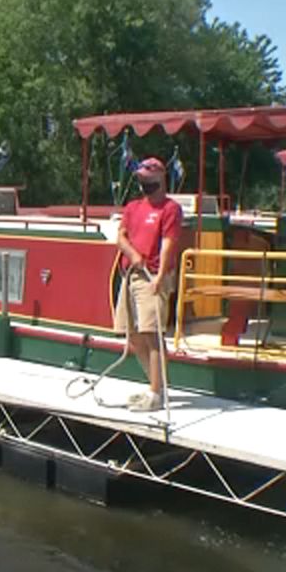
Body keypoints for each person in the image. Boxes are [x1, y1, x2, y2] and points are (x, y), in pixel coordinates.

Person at [114, 156, 182, 412]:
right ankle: (156, 386)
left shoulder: (170, 209)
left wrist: (161, 277)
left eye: (148, 179)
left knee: (152, 334)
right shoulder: (133, 207)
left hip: (152, 276)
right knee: (132, 334)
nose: (144, 184)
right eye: (141, 179)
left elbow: (168, 243)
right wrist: (133, 254)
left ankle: (155, 393)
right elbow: (121, 237)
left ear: (161, 178)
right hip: (131, 274)